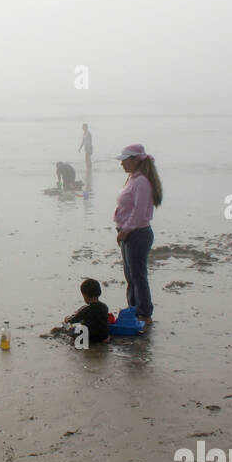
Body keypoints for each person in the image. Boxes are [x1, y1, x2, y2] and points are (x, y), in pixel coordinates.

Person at [114, 144, 163, 324]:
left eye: (124, 160)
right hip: (128, 232)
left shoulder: (141, 181)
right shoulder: (132, 178)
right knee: (130, 275)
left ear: (135, 159)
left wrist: (125, 230)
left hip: (137, 234)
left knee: (138, 275)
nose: (122, 164)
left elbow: (139, 211)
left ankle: (144, 313)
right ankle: (133, 309)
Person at [64, 278, 109, 344]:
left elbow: (73, 320)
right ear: (99, 292)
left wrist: (67, 319)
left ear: (85, 295)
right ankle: (106, 339)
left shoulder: (85, 309)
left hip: (89, 337)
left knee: (70, 330)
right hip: (103, 336)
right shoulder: (104, 307)